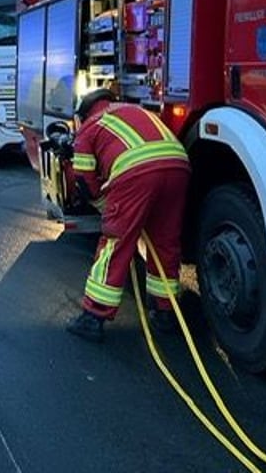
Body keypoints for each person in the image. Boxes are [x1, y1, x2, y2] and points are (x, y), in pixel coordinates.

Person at [64, 88, 191, 342]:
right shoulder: (136, 111)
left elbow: (84, 180)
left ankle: (93, 316)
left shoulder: (90, 127)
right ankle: (165, 312)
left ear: (84, 113)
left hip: (137, 174)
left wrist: (104, 206)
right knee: (164, 243)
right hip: (179, 167)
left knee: (115, 242)